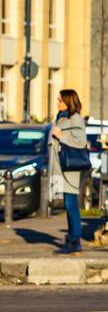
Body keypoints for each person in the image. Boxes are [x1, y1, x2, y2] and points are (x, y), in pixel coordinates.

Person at [51, 88, 89, 255]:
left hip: (71, 168)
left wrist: (60, 136)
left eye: (60, 100)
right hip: (61, 167)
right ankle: (73, 240)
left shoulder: (76, 119)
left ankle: (75, 241)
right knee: (68, 204)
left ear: (68, 101)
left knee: (71, 204)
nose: (57, 103)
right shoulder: (62, 117)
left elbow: (81, 142)